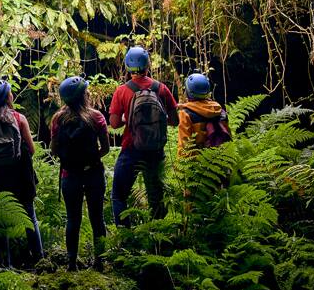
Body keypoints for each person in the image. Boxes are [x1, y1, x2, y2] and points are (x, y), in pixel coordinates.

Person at [0, 79, 44, 265]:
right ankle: (39, 259)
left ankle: (5, 265)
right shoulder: (19, 118)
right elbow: (31, 149)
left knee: (1, 220)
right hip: (20, 176)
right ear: (7, 97)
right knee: (30, 217)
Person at [108, 46, 178, 226]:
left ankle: (126, 240)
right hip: (155, 150)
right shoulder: (161, 89)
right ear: (148, 65)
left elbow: (114, 124)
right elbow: (174, 121)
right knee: (156, 198)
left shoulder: (122, 91)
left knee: (118, 196)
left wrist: (126, 118)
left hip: (131, 149)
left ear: (127, 66)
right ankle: (159, 240)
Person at [49, 76, 109, 270]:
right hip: (93, 173)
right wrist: (92, 159)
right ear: (84, 95)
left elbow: (54, 149)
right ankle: (100, 261)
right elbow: (106, 148)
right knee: (97, 218)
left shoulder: (58, 119)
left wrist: (70, 162)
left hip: (69, 175)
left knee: (73, 219)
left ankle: (72, 263)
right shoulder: (96, 117)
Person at [176, 72, 231, 158]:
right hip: (221, 159)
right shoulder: (220, 110)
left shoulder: (185, 114)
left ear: (188, 92)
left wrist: (180, 169)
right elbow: (228, 138)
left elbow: (184, 146)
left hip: (198, 164)